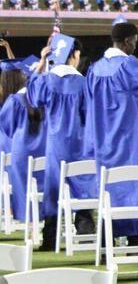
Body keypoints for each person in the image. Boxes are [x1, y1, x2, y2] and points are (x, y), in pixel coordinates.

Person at [85, 21, 138, 242]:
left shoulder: (94, 69)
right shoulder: (128, 66)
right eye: (134, 42)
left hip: (104, 141)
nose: (135, 46)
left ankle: (106, 244)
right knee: (134, 189)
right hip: (130, 138)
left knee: (110, 191)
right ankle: (136, 242)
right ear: (127, 42)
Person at [29, 37, 94, 248]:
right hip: (80, 142)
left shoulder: (47, 81)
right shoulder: (84, 83)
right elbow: (88, 114)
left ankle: (50, 236)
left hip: (56, 143)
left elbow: (33, 98)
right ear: (74, 55)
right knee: (83, 184)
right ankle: (85, 227)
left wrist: (41, 62)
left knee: (54, 187)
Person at [0, 73, 45, 231]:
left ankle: (26, 218)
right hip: (45, 153)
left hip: (20, 154)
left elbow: (5, 125)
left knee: (19, 178)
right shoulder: (44, 101)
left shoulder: (14, 101)